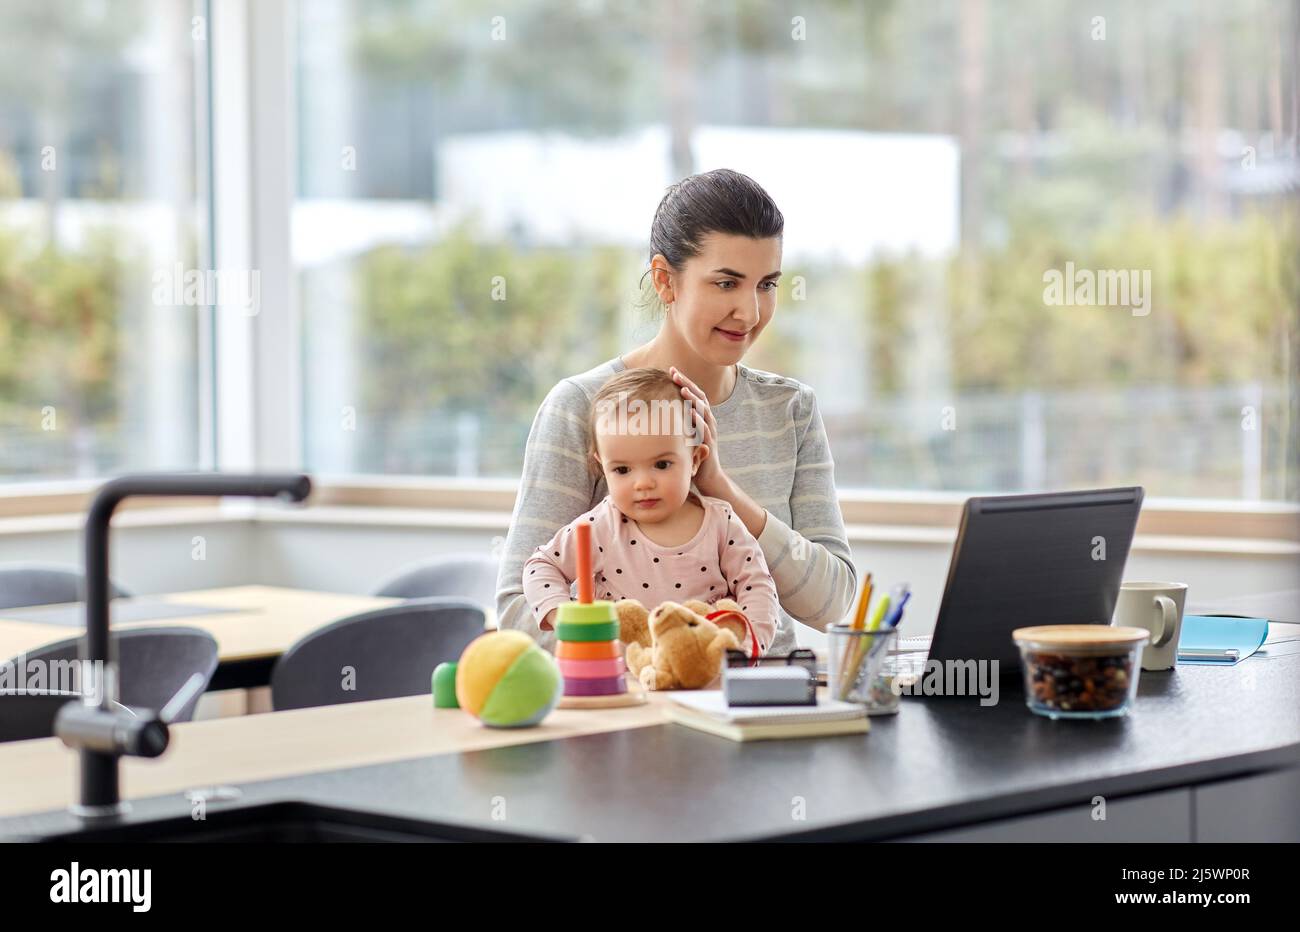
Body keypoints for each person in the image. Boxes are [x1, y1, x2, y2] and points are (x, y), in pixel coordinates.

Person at [497, 167, 857, 654]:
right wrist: (668, 649)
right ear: (666, 281)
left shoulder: (790, 409)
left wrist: (723, 492)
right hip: (639, 706)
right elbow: (519, 612)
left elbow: (834, 602)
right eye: (726, 284)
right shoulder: (580, 407)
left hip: (766, 701)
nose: (750, 313)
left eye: (767, 284)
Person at [522, 366, 779, 657]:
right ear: (602, 466)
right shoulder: (603, 525)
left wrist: (746, 647)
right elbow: (541, 565)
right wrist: (563, 616)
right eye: (622, 469)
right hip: (624, 682)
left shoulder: (722, 523)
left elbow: (757, 586)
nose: (643, 483)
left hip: (705, 679)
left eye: (661, 464)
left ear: (695, 459)